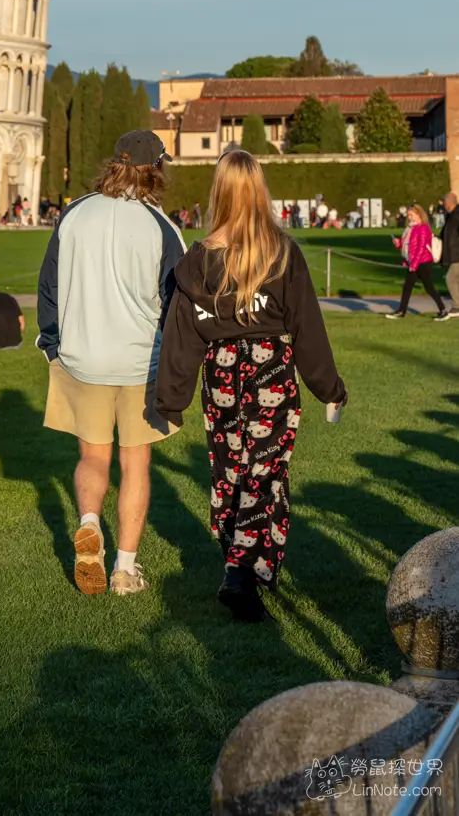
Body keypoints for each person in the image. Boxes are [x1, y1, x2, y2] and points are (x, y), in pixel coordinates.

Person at [155, 150, 347, 623]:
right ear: (259, 191)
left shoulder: (198, 260)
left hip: (220, 374)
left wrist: (171, 400)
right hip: (271, 376)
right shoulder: (280, 252)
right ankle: (243, 571)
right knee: (265, 475)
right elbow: (307, 328)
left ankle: (237, 564)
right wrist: (329, 388)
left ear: (218, 191)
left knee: (229, 473)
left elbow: (182, 336)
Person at [38, 129, 184, 597]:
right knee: (135, 464)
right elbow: (175, 305)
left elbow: (49, 285)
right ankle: (124, 570)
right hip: (141, 362)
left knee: (92, 455)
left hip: (83, 356)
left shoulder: (76, 213)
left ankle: (88, 524)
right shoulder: (161, 227)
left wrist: (52, 344)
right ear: (155, 170)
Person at [388, 205, 453, 320]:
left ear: (418, 214)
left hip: (423, 262)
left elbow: (421, 248)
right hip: (414, 262)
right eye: (408, 215)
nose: (409, 217)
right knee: (408, 286)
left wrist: (414, 264)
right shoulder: (410, 228)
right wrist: (398, 243)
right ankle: (401, 311)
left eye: (411, 215)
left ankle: (443, 310)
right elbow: (408, 246)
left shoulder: (423, 228)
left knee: (429, 287)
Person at [443, 193, 459, 310]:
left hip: (457, 254)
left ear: (448, 203)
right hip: (454, 253)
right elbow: (445, 233)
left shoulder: (456, 216)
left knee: (450, 278)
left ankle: (457, 306)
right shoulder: (450, 216)